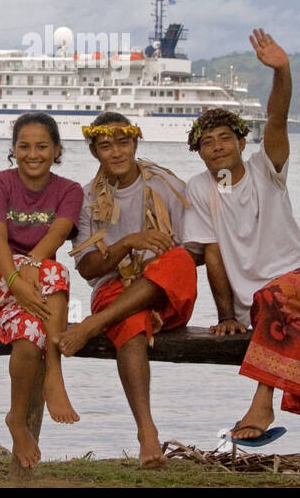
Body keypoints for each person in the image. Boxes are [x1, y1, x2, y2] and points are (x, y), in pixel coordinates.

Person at [182, 28, 300, 478]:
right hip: (267, 311)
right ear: (199, 152)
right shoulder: (200, 189)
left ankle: (260, 407)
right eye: (207, 142)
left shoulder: (268, 169)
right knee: (298, 335)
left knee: (272, 303)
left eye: (225, 137)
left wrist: (282, 71)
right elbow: (213, 254)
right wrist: (226, 314)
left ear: (243, 142)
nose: (217, 146)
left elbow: (277, 119)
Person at [57, 112, 200, 468]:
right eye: (105, 145)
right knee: (132, 323)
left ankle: (92, 324)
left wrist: (152, 268)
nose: (116, 152)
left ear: (136, 143)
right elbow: (87, 267)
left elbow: (194, 251)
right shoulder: (87, 198)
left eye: (123, 143)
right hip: (113, 290)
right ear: (94, 151)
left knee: (178, 259)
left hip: (164, 293)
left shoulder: (167, 185)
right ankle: (147, 432)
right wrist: (128, 244)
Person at [0, 112, 83, 468]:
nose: (33, 154)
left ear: (57, 150)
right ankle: (55, 375)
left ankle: (16, 418)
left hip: (33, 286)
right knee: (56, 272)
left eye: (42, 146)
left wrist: (29, 270)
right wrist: (15, 281)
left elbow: (57, 235)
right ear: (13, 149)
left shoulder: (69, 190)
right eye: (24, 146)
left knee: (30, 337)